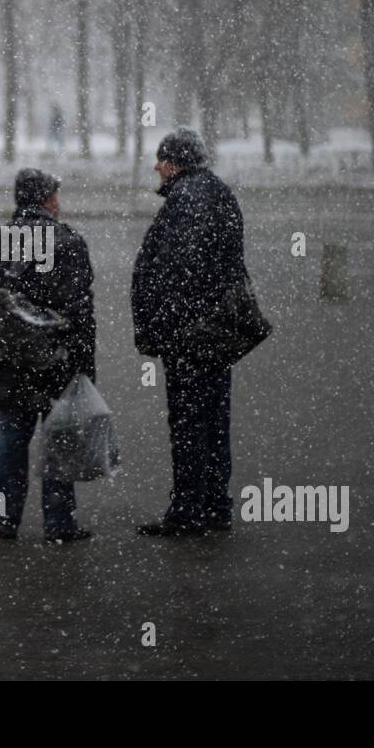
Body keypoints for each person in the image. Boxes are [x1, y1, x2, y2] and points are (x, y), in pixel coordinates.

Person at [131, 128, 246, 536]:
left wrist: (167, 326)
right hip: (216, 332)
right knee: (214, 420)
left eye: (161, 159)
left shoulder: (187, 199)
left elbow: (180, 271)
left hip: (191, 336)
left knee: (188, 423)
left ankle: (188, 512)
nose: (156, 167)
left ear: (175, 162)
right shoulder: (219, 192)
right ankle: (215, 505)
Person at [0, 168, 96, 544]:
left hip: (13, 358)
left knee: (12, 439)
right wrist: (85, 368)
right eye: (56, 194)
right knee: (59, 441)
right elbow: (81, 313)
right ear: (47, 199)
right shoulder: (68, 241)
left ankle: (3, 518)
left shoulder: (3, 240)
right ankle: (59, 523)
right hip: (55, 360)